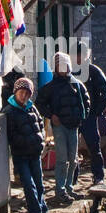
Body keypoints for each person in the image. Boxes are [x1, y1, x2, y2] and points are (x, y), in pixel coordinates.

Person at [36, 51, 89, 204]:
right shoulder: (50, 87)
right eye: (60, 65)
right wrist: (51, 115)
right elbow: (40, 103)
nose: (63, 68)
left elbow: (86, 102)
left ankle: (69, 187)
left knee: (73, 159)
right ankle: (60, 190)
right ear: (55, 67)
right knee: (62, 159)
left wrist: (81, 118)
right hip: (59, 127)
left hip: (73, 126)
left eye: (65, 65)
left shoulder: (77, 85)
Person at [5, 76, 48, 213]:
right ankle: (35, 212)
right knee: (28, 185)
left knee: (39, 182)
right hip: (21, 154)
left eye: (27, 93)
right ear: (15, 92)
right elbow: (11, 135)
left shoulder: (32, 107)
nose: (24, 96)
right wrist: (27, 141)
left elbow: (40, 125)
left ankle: (43, 209)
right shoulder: (9, 112)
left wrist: (41, 139)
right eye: (21, 92)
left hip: (35, 152)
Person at [79, 59, 106, 187]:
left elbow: (103, 91)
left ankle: (98, 176)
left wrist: (97, 110)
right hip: (73, 117)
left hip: (89, 116)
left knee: (94, 146)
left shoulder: (93, 71)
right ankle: (72, 180)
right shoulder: (69, 71)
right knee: (71, 151)